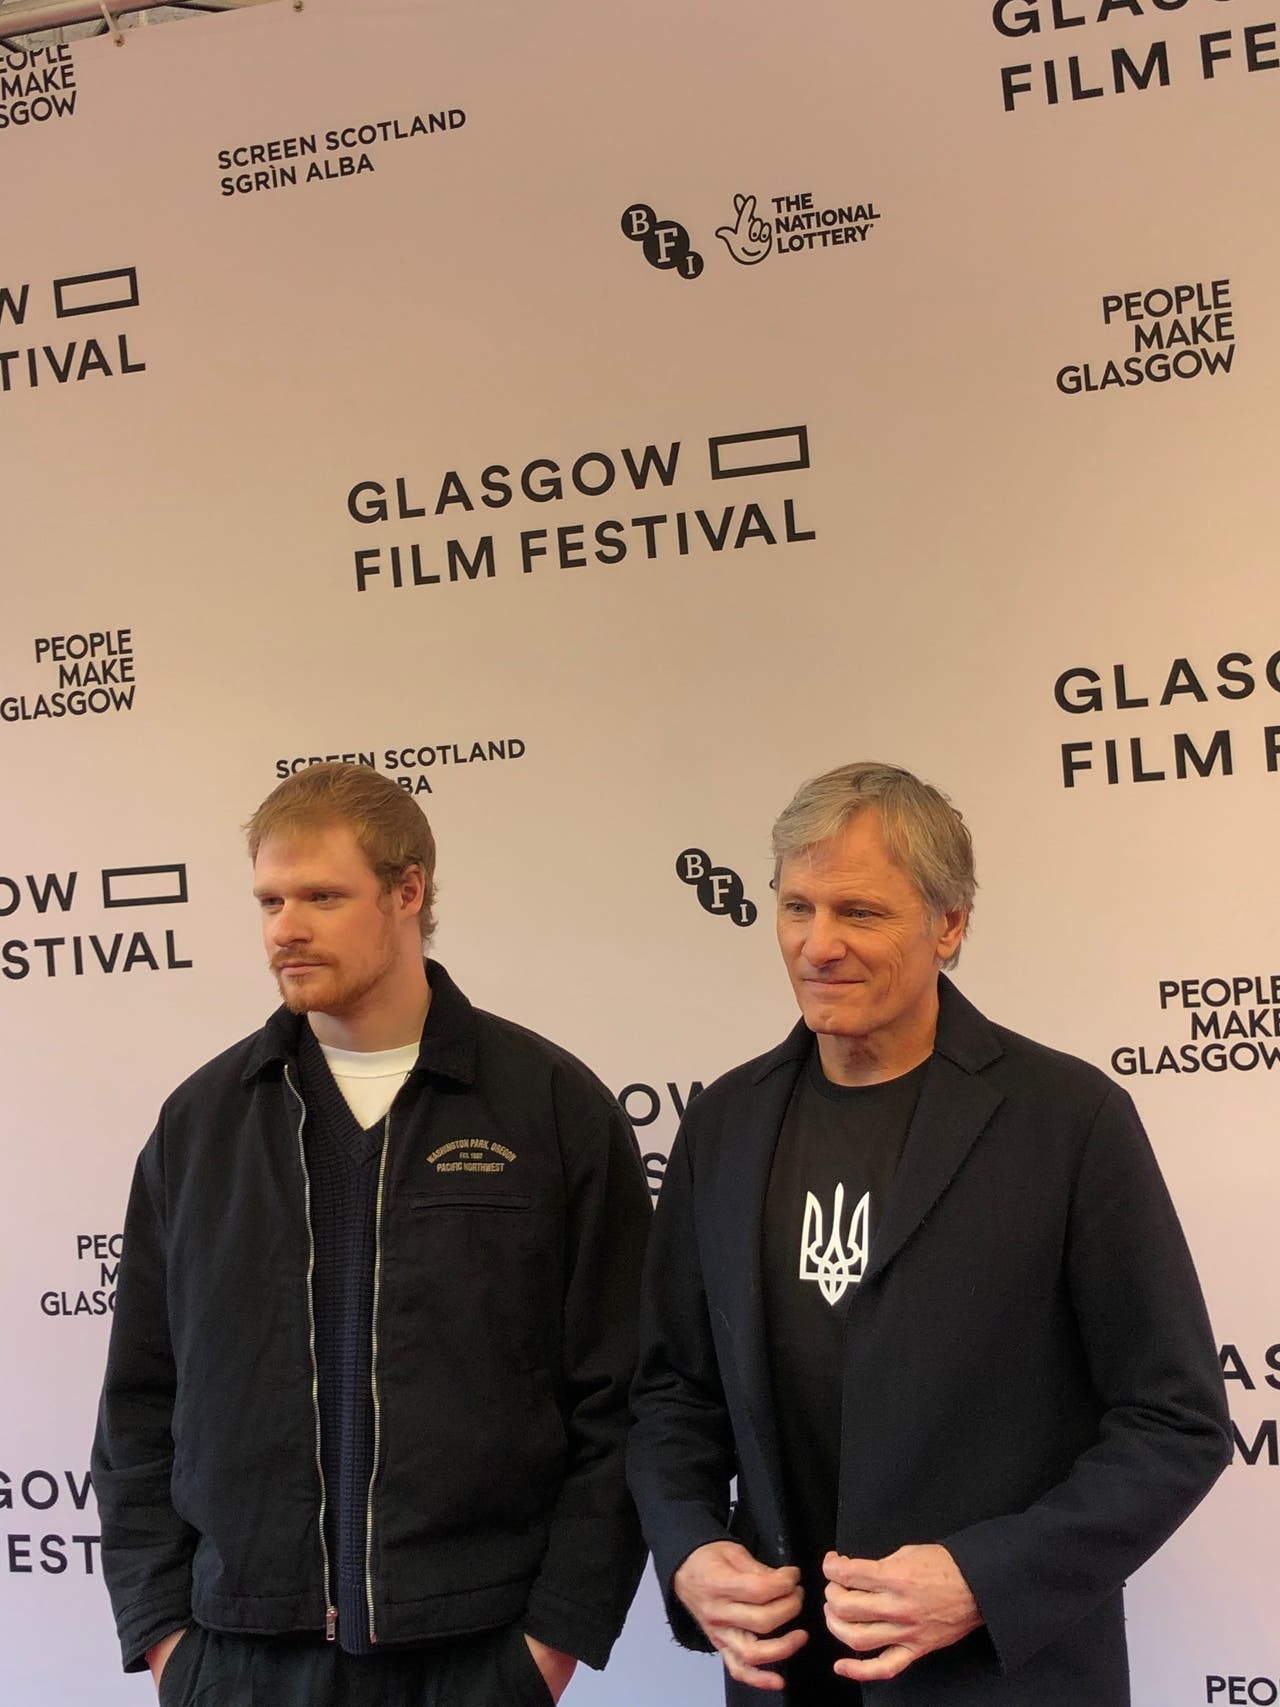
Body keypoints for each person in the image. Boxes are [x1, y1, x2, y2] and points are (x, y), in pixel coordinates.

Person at [627, 761, 1231, 1706]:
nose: (817, 945)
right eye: (796, 908)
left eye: (858, 912)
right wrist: (690, 1544)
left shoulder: (1067, 1119)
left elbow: (1176, 1422)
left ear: (949, 924)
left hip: (1002, 1681)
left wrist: (982, 1579)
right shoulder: (724, 1125)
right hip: (786, 1680)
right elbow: (672, 1390)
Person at [93, 762, 650, 1706]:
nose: (286, 927)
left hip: (474, 1653)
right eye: (270, 898)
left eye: (321, 895)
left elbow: (622, 1397)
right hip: (238, 1658)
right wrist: (164, 1640)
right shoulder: (201, 1125)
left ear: (408, 891)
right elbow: (141, 1399)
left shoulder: (551, 1108)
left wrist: (552, 1640)